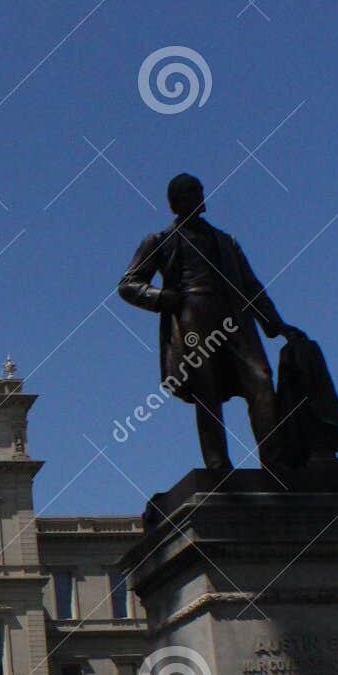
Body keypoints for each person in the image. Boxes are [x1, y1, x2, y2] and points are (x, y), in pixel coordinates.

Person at [117, 173, 300, 472]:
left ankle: (275, 464)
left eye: (198, 191)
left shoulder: (226, 242)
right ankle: (218, 465)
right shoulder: (160, 241)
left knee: (261, 379)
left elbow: (252, 286)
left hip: (234, 315)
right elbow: (128, 284)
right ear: (175, 203)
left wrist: (276, 324)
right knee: (207, 390)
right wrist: (164, 297)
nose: (197, 196)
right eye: (189, 192)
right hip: (192, 314)